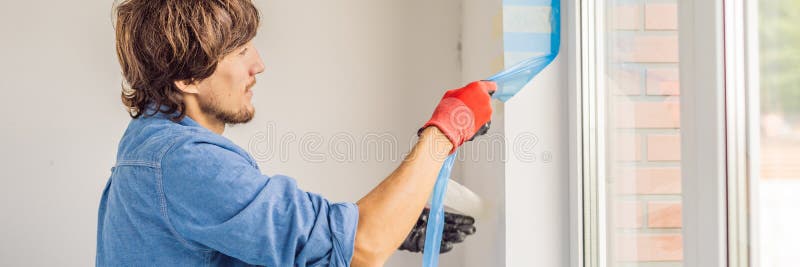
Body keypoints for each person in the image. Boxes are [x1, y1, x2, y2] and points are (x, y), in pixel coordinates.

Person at [96, 0, 495, 266]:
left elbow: (265, 242)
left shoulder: (150, 141)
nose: (259, 64)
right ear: (186, 78)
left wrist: (395, 222)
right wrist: (446, 129)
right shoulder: (184, 162)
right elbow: (361, 248)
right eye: (239, 51)